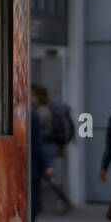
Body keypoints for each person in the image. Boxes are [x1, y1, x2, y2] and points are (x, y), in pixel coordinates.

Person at [31, 84, 74, 213]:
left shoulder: (41, 111)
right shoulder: (44, 108)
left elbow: (37, 130)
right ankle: (38, 203)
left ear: (37, 96)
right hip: (50, 145)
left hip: (46, 145)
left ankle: (66, 201)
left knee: (47, 173)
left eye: (32, 95)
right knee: (42, 173)